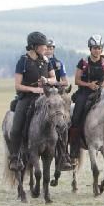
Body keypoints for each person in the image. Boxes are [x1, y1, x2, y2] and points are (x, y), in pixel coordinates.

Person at [7, 31, 53, 171]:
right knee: (16, 128)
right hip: (27, 98)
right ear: (34, 46)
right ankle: (14, 157)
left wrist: (47, 80)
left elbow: (54, 79)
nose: (45, 48)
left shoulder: (46, 60)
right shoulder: (23, 61)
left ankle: (63, 154)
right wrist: (33, 89)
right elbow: (18, 85)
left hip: (44, 97)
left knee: (61, 118)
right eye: (43, 46)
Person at [68, 34, 104, 159]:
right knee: (76, 116)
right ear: (90, 49)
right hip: (84, 92)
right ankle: (74, 146)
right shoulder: (83, 62)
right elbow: (77, 81)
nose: (97, 50)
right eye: (95, 48)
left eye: (99, 48)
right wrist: (89, 85)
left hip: (102, 92)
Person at [41, 37, 73, 169]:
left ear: (54, 49)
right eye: (47, 48)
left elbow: (65, 82)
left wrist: (55, 84)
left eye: (51, 48)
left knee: (66, 117)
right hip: (43, 93)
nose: (49, 50)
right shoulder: (40, 62)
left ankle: (64, 154)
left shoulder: (59, 64)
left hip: (58, 93)